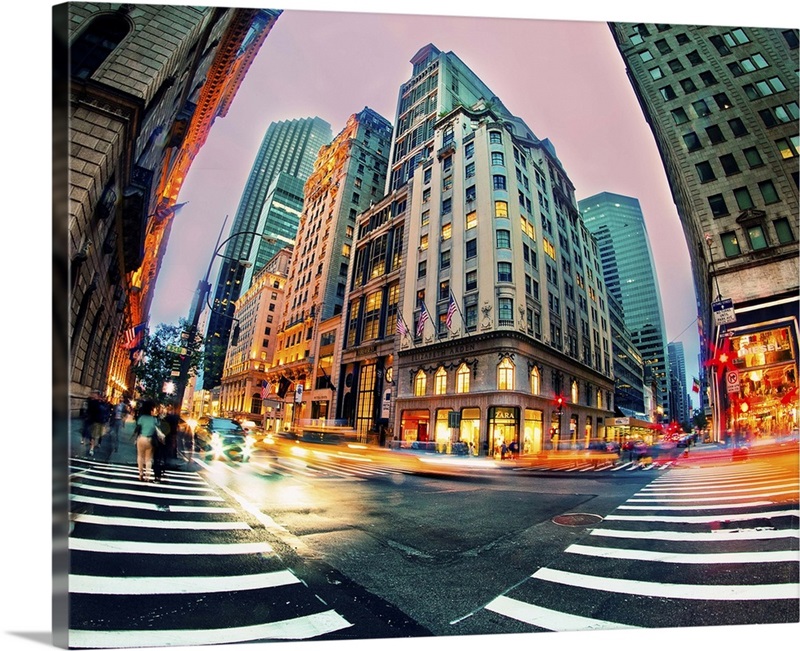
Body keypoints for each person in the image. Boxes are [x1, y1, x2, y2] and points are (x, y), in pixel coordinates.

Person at [132, 400, 160, 482]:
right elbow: (158, 425)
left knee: (140, 456)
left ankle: (140, 474)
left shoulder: (141, 418)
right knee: (149, 458)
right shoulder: (153, 419)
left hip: (141, 438)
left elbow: (138, 427)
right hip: (150, 439)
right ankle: (147, 476)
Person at [85, 389, 106, 457]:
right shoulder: (91, 401)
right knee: (90, 436)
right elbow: (88, 410)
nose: (93, 395)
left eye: (95, 394)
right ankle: (92, 446)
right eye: (93, 393)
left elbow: (102, 412)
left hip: (97, 421)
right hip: (91, 421)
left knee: (93, 436)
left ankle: (92, 448)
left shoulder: (100, 403)